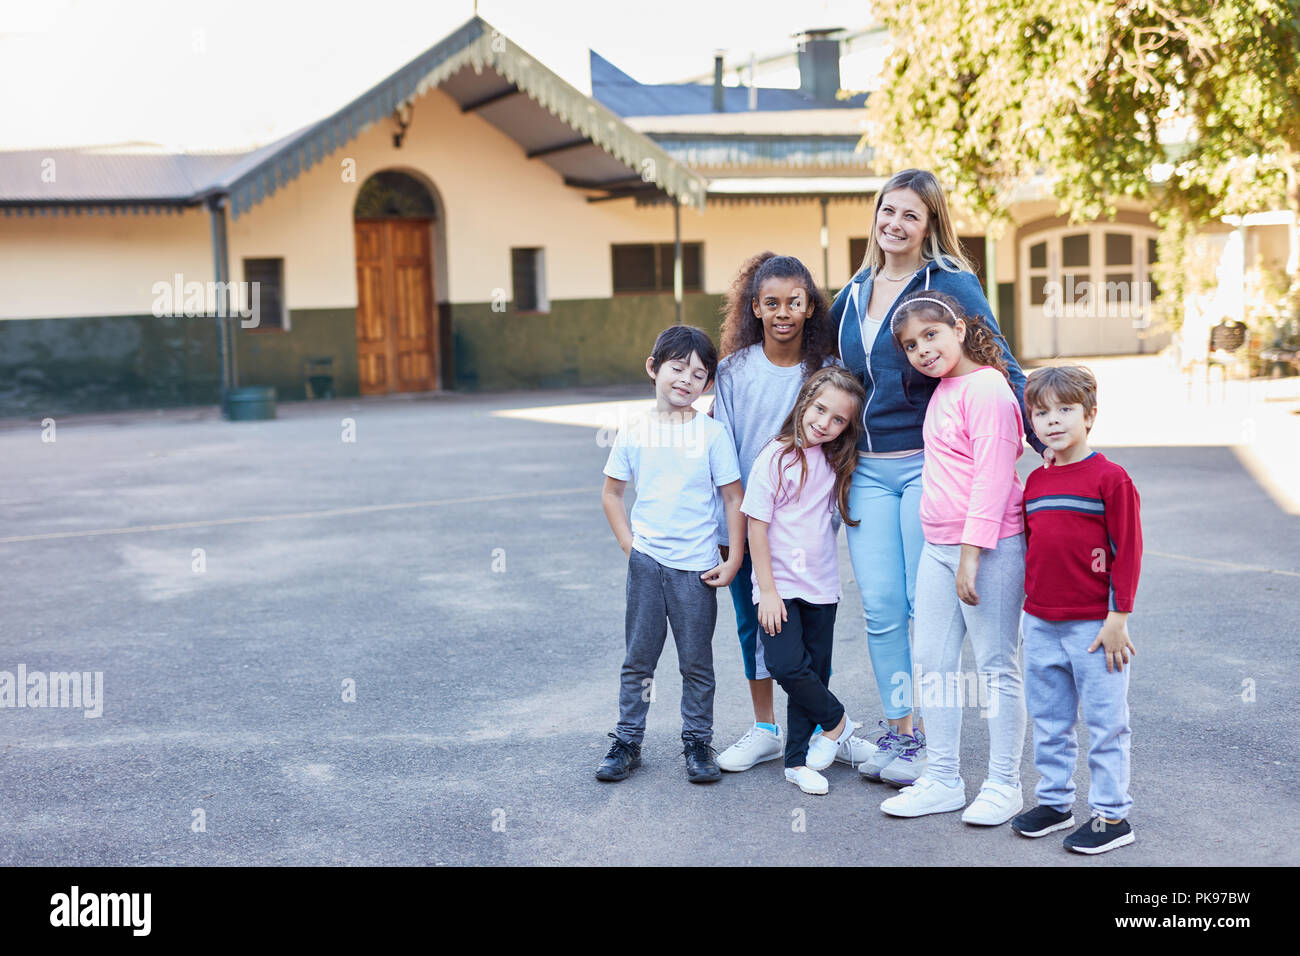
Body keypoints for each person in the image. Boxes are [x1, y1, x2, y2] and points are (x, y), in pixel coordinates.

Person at [828, 168, 1042, 787]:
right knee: (882, 607)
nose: (894, 224)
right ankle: (904, 734)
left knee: (935, 614)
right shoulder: (855, 289)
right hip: (865, 469)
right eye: (886, 211)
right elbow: (824, 366)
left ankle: (953, 753)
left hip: (928, 466)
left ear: (930, 225)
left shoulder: (949, 282)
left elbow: (997, 355)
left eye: (910, 216)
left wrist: (1045, 437)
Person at [707, 253, 869, 772]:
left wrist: (834, 521)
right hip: (749, 521)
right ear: (754, 307)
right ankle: (765, 729)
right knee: (753, 625)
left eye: (794, 302)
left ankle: (823, 730)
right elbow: (724, 450)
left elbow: (845, 453)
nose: (783, 312)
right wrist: (725, 530)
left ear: (809, 306)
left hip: (805, 532)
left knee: (807, 635)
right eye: (771, 302)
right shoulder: (733, 371)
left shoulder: (826, 373)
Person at [879, 291, 1028, 824]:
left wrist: (970, 556)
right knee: (934, 666)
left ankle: (1005, 784)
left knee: (996, 667)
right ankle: (942, 778)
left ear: (960, 329)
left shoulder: (987, 386)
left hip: (987, 549)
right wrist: (948, 553)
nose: (922, 349)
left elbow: (991, 480)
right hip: (940, 549)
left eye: (931, 335)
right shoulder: (946, 390)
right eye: (911, 344)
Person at [595, 325, 745, 784]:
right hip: (647, 564)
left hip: (697, 570)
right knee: (639, 659)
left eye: (698, 374)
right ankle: (627, 741)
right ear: (653, 368)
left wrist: (734, 558)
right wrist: (630, 545)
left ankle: (698, 742)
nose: (685, 379)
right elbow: (612, 494)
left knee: (695, 662)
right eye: (677, 368)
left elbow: (733, 498)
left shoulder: (713, 434)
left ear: (708, 384)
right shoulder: (635, 431)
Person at [1012, 365, 1142, 854]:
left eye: (1066, 410)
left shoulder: (1110, 478)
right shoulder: (1036, 483)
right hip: (1041, 622)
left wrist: (1118, 617)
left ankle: (1112, 815)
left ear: (1089, 415)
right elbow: (1033, 549)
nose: (1053, 420)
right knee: (1050, 720)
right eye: (1041, 412)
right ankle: (1055, 802)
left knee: (1107, 723)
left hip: (1095, 627)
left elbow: (1128, 550)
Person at [741, 366, 868, 794]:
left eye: (838, 420)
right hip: (779, 588)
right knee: (783, 663)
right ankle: (837, 723)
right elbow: (755, 526)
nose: (824, 424)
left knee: (814, 671)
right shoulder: (775, 456)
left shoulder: (836, 461)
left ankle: (797, 762)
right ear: (805, 401)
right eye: (820, 409)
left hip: (822, 586)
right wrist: (769, 592)